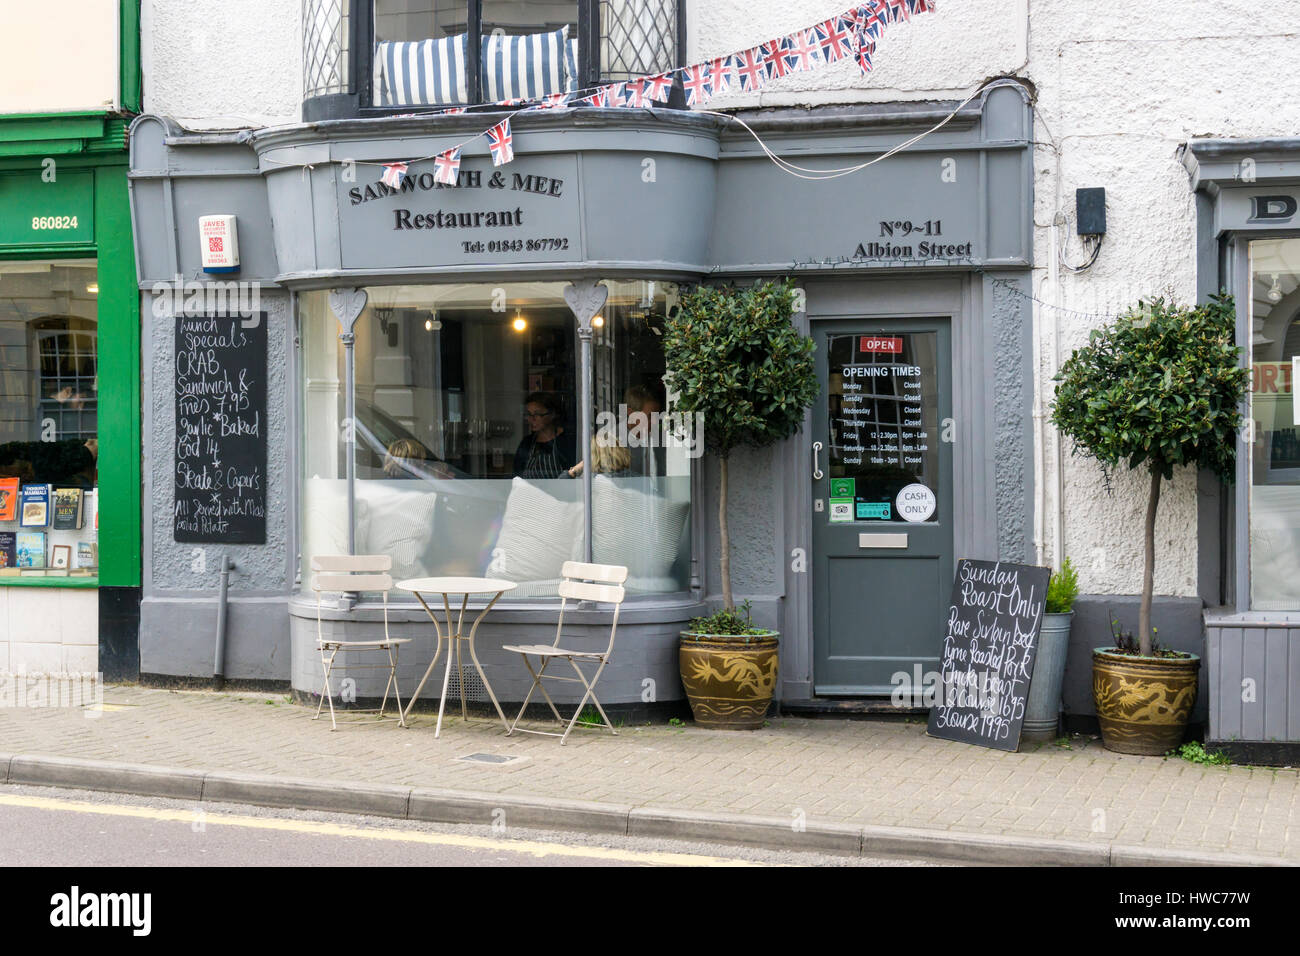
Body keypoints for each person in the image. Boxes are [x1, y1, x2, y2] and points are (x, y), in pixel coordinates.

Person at [513, 392, 576, 479]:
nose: (532, 419)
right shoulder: (527, 443)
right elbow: (517, 474)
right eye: (529, 414)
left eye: (537, 414)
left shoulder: (566, 442)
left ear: (552, 414)